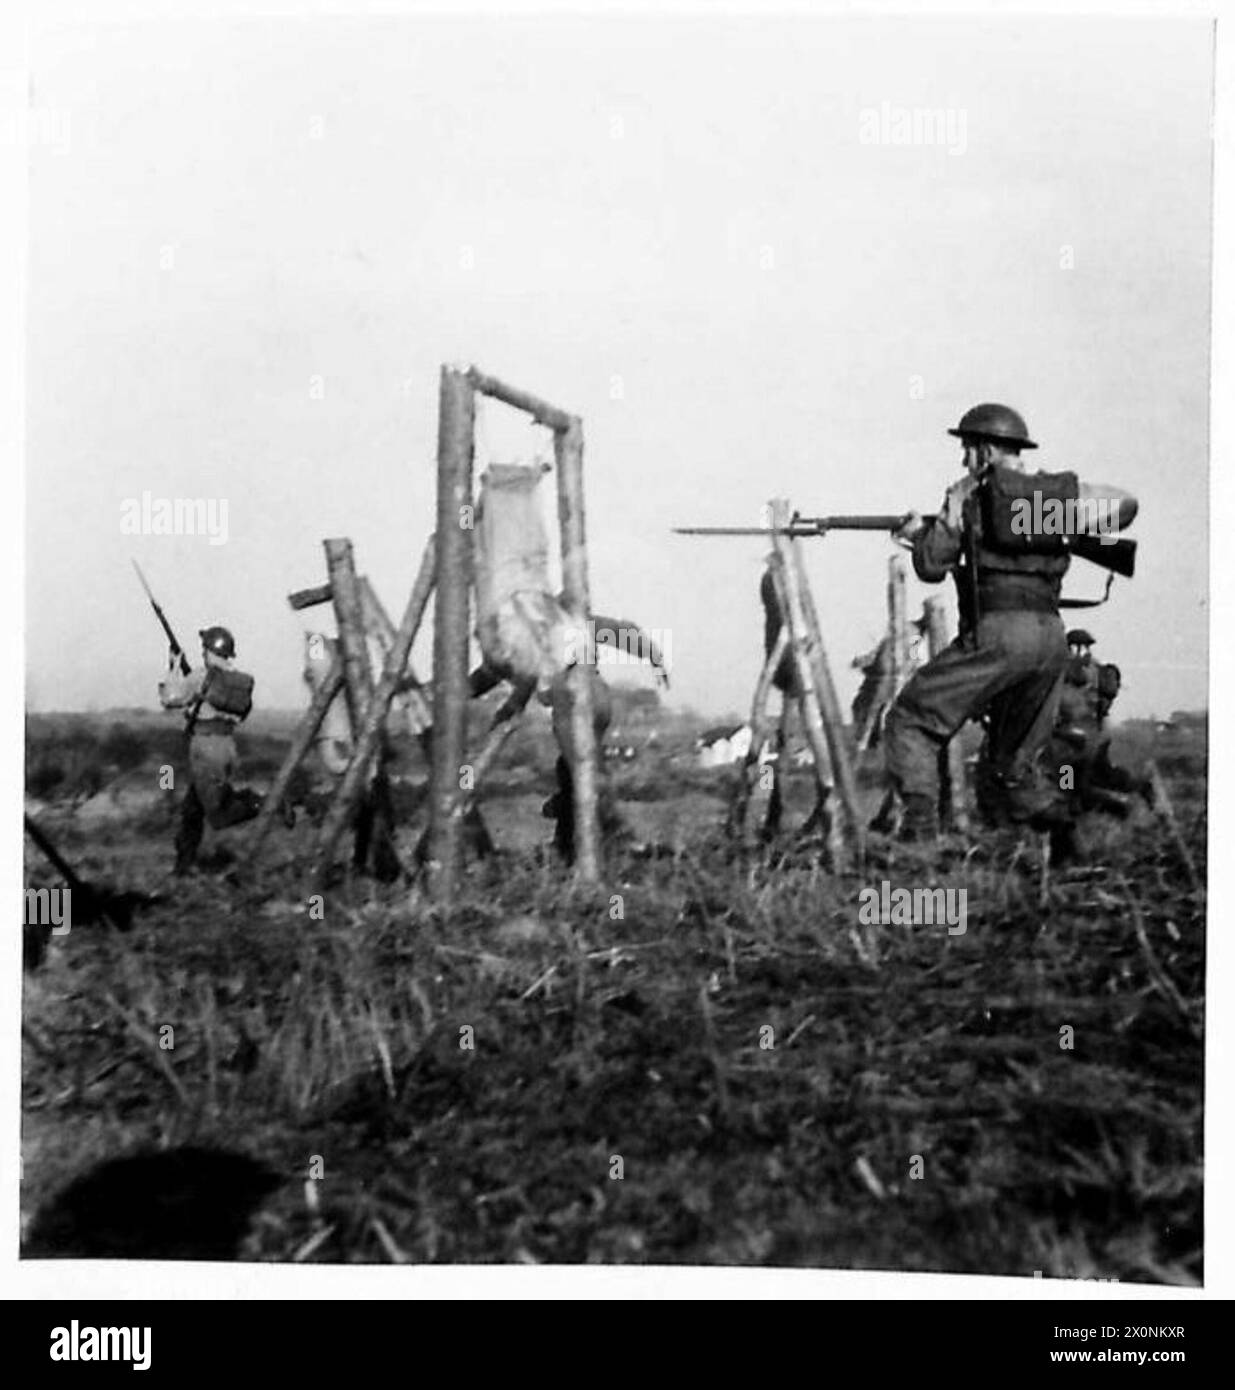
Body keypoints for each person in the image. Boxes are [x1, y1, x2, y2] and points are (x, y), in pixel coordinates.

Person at [882, 403, 1136, 844]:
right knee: (1011, 771)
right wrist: (1033, 518)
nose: (964, 460)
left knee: (910, 719)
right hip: (1050, 639)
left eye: (968, 450)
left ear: (984, 450)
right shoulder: (1052, 500)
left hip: (1001, 634)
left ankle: (918, 836)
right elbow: (1125, 505)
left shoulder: (969, 495)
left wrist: (932, 527)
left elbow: (930, 566)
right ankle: (1065, 840)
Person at [158, 626, 262, 875]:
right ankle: (183, 866)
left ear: (209, 650)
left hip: (204, 747)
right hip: (226, 746)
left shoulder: (200, 677)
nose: (202, 652)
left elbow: (170, 698)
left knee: (218, 816)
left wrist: (174, 667)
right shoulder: (239, 681)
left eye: (204, 648)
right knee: (192, 809)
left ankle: (265, 804)